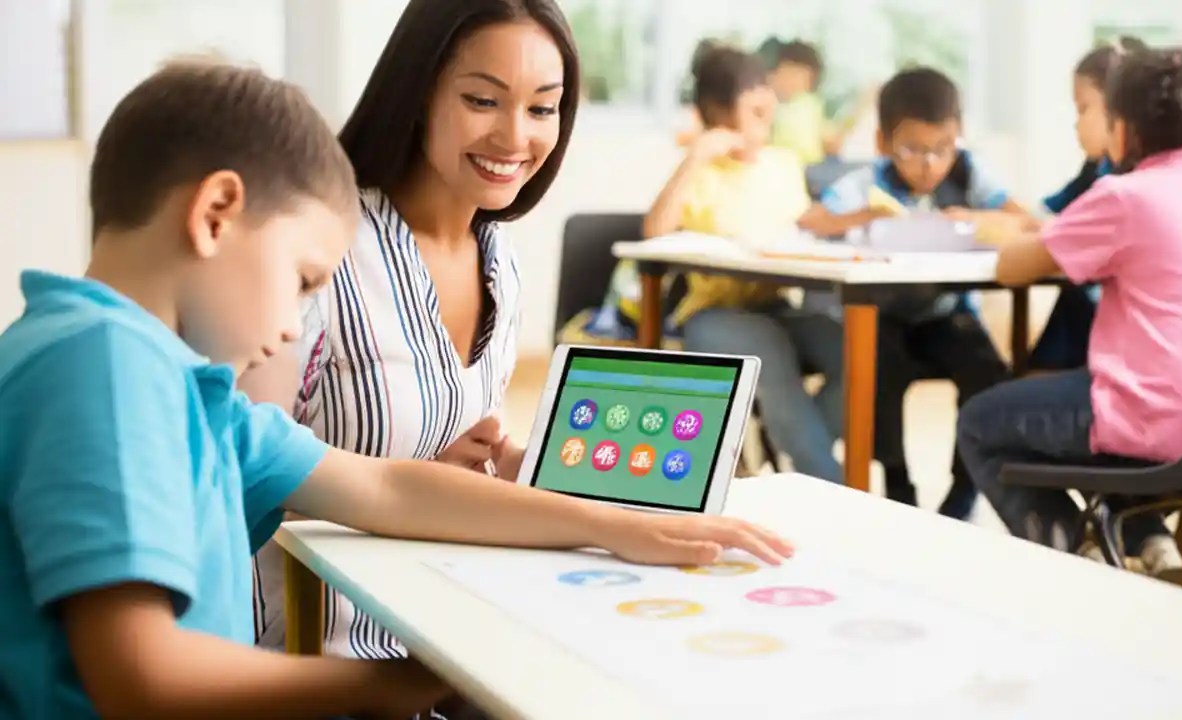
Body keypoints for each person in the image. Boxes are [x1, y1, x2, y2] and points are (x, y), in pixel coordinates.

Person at [0, 61, 791, 720]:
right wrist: (402, 681)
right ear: (216, 214)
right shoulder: (101, 367)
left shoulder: (184, 388)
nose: (294, 324)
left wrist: (611, 524)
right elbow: (144, 678)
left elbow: (382, 485)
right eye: (304, 280)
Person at [239, 0, 577, 667]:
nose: (516, 137)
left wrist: (490, 467)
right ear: (419, 94)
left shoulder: (499, 259)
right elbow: (238, 474)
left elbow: (449, 455)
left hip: (443, 636)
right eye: (484, 100)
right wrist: (409, 491)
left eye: (542, 108)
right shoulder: (325, 249)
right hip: (303, 655)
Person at [957, 47, 1182, 581]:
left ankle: (1078, 559)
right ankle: (1146, 537)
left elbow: (1015, 269)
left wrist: (1018, 236)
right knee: (1087, 419)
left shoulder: (1126, 196)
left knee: (980, 423)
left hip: (1157, 423)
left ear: (1122, 129)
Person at [798, 67, 1024, 518]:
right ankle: (900, 491)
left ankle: (964, 494)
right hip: (886, 318)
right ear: (883, 143)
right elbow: (812, 220)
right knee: (878, 374)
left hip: (947, 315)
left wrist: (980, 220)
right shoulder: (871, 180)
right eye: (912, 150)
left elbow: (1024, 219)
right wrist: (864, 217)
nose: (930, 164)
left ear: (957, 137)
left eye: (943, 149)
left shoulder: (969, 171)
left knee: (989, 376)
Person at [643, 46, 849, 485]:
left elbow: (804, 231)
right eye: (755, 113)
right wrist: (696, 154)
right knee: (769, 355)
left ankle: (801, 471)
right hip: (711, 315)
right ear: (719, 114)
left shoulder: (783, 164)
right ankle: (836, 490)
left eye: (768, 112)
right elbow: (653, 235)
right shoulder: (699, 170)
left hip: (776, 304)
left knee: (864, 353)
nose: (766, 124)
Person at [1028, 37, 1146, 372]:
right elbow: (1052, 212)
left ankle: (1044, 376)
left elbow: (1056, 228)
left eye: (1083, 109)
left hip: (1125, 344)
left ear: (1117, 109)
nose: (1076, 123)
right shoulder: (1096, 169)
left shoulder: (1125, 185)